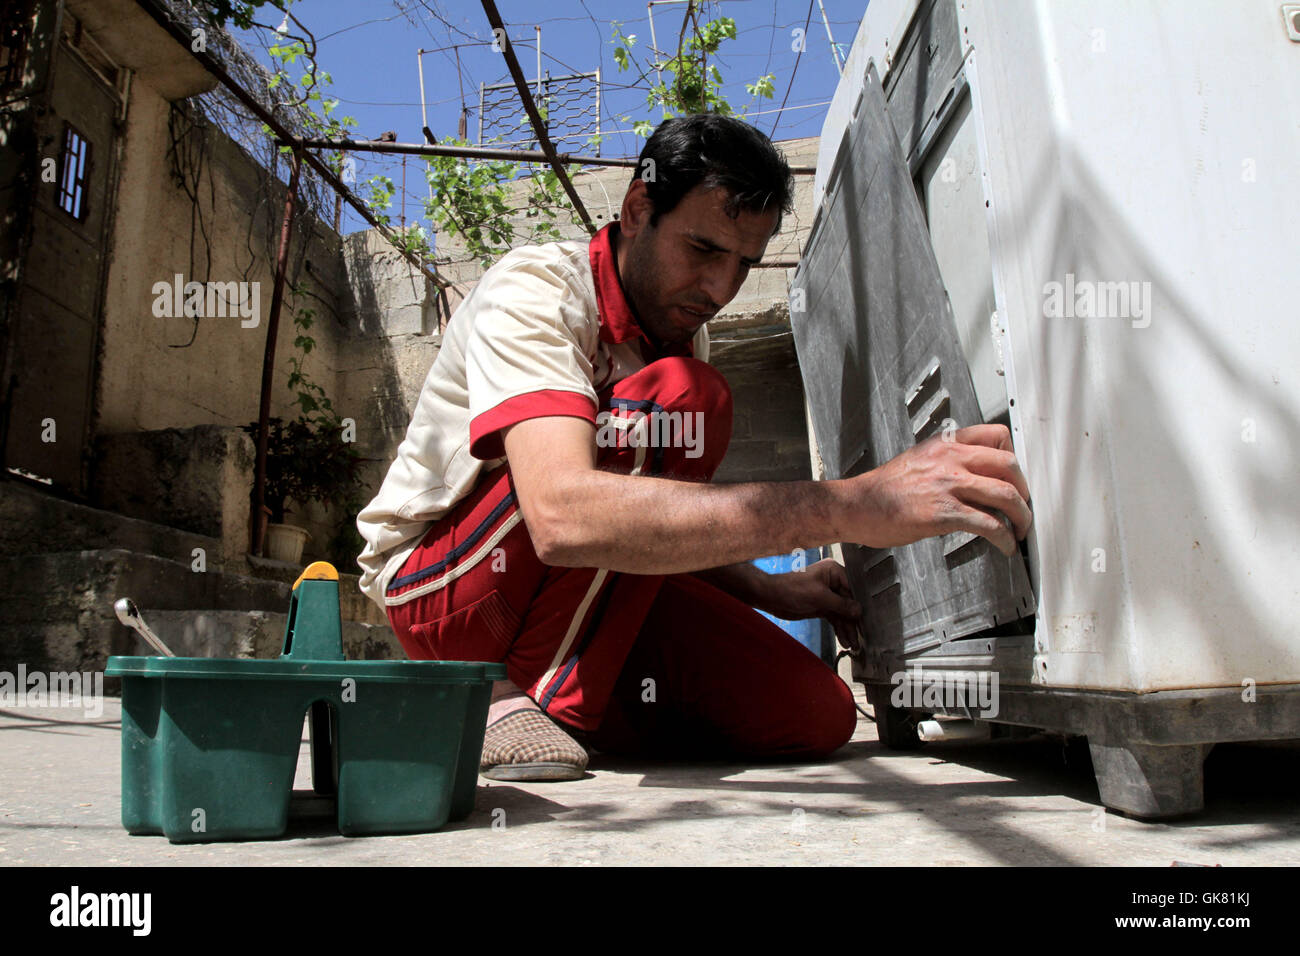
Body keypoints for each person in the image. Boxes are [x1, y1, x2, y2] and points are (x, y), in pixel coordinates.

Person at [356, 114, 1032, 781]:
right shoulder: (536, 291)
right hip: (442, 595)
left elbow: (646, 525)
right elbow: (565, 519)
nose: (720, 289)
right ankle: (499, 700)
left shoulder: (678, 329)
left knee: (813, 714)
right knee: (687, 396)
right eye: (704, 250)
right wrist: (854, 504)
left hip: (563, 602)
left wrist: (771, 589)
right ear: (636, 208)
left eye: (744, 264)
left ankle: (582, 704)